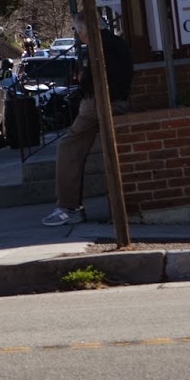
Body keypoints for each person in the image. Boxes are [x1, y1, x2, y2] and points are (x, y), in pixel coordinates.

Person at [42, 14, 132, 226]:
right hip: (120, 100)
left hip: (100, 102)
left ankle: (68, 207)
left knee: (68, 147)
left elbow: (92, 81)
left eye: (78, 32)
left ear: (83, 32)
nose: (79, 36)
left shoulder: (98, 47)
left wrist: (81, 95)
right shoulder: (117, 42)